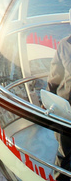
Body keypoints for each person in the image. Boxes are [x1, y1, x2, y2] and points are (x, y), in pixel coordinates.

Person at [48, 10, 71, 180]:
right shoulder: (64, 45)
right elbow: (55, 78)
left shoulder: (65, 45)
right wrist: (48, 100)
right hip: (66, 110)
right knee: (64, 154)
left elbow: (54, 79)